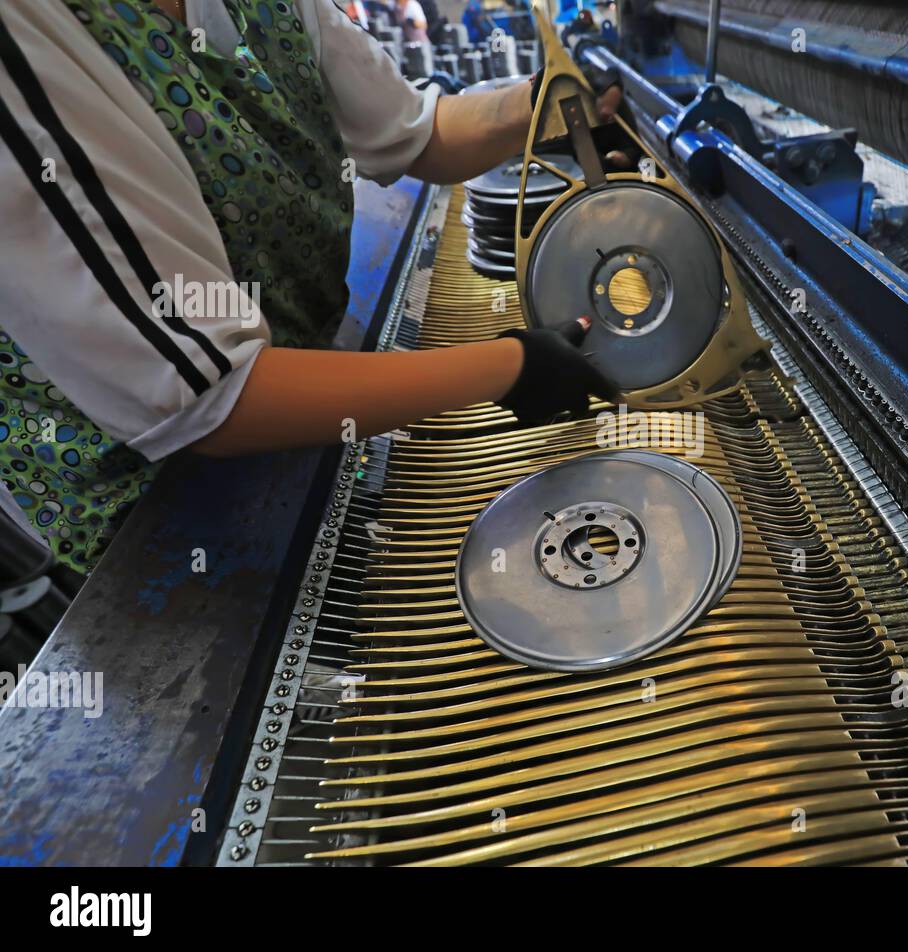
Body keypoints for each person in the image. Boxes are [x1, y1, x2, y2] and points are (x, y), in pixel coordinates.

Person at [0, 0, 621, 574]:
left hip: (307, 381)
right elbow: (214, 403)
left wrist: (548, 103)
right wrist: (515, 364)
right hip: (161, 500)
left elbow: (417, 132)